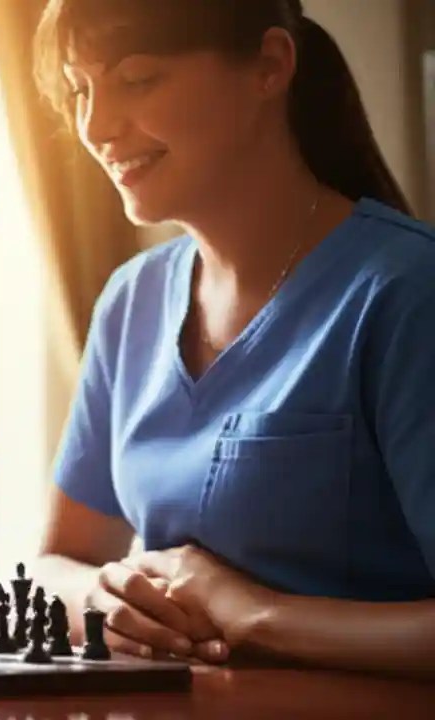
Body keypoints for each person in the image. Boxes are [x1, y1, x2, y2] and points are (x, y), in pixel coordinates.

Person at [31, 0, 435, 679]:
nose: (95, 127)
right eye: (79, 91)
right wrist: (100, 599)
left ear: (270, 67)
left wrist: (255, 614)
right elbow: (54, 565)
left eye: (137, 79)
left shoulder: (406, 293)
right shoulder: (130, 301)